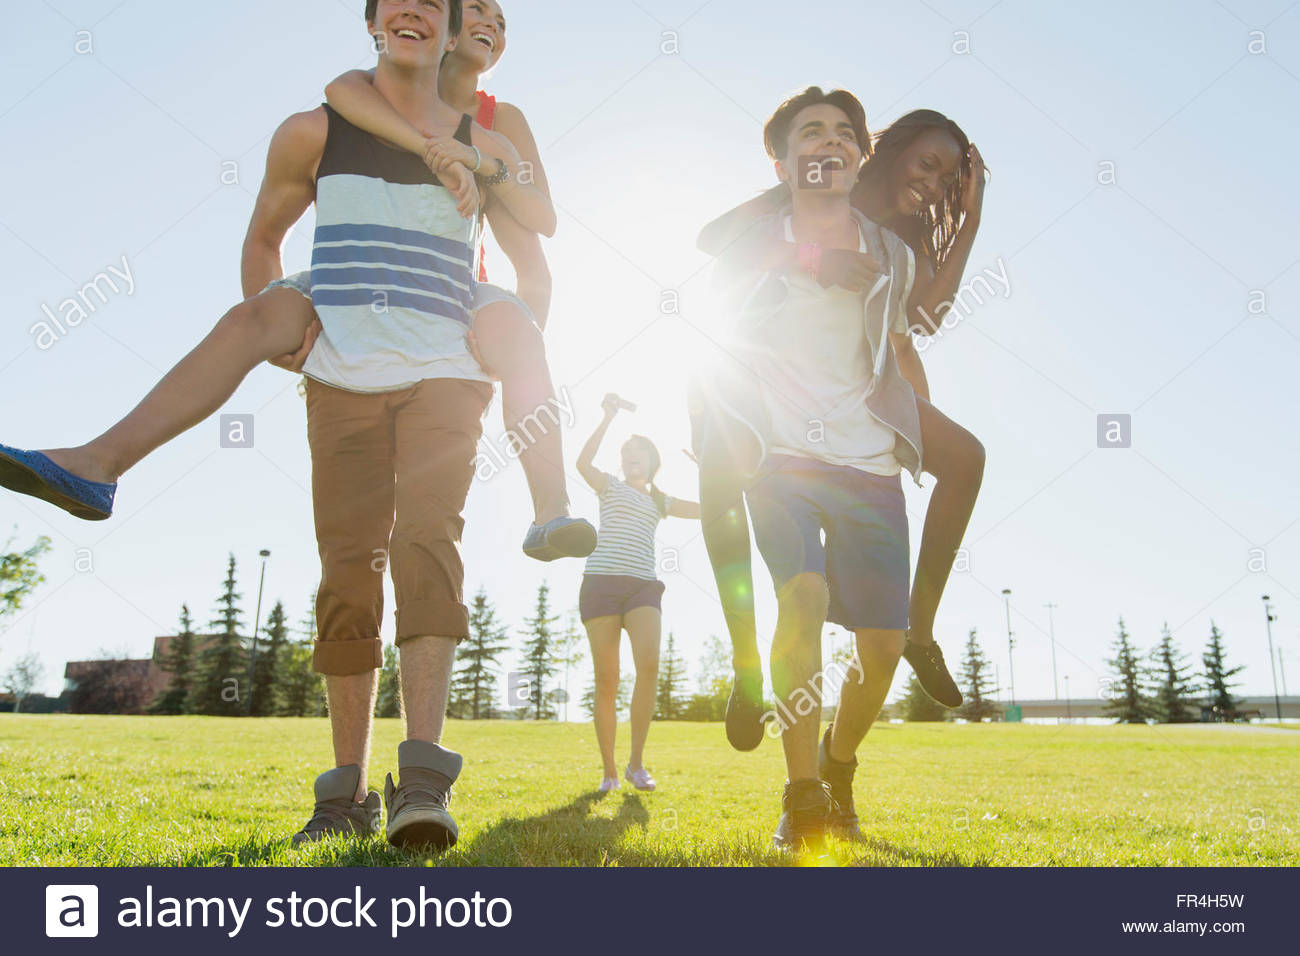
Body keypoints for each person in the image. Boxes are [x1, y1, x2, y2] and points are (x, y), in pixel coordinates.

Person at [0, 0, 595, 564]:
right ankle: (99, 464)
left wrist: (514, 331)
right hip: (353, 282)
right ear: (444, 32)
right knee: (253, 323)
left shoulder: (497, 122)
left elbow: (538, 226)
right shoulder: (359, 94)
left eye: (501, 19)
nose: (490, 23)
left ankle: (551, 508)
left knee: (434, 512)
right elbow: (337, 96)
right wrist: (431, 149)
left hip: (448, 297)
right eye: (478, 11)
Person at [695, 108, 988, 750]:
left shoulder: (899, 234)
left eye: (950, 181)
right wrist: (814, 255)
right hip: (750, 366)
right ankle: (747, 667)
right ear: (892, 151)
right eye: (927, 166)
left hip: (854, 393)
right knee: (723, 469)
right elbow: (717, 239)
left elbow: (918, 323)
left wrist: (970, 220)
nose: (935, 186)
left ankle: (917, 629)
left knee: (964, 458)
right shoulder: (813, 177)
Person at [697, 87, 926, 849]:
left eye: (842, 135)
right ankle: (801, 795)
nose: (827, 142)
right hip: (780, 456)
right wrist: (812, 257)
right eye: (809, 133)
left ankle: (839, 761)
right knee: (800, 593)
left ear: (860, 159)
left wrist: (916, 429)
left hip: (868, 462)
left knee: (883, 646)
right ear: (782, 160)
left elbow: (898, 345)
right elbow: (717, 263)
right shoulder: (760, 235)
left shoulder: (891, 252)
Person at [576, 395, 701, 793]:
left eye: (639, 452)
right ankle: (610, 772)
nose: (632, 456)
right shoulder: (608, 486)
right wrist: (607, 417)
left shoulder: (659, 500)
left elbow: (709, 508)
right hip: (601, 585)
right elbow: (581, 464)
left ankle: (635, 764)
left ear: (652, 462)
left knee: (648, 663)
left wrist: (707, 469)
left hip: (643, 586)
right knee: (607, 678)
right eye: (626, 452)